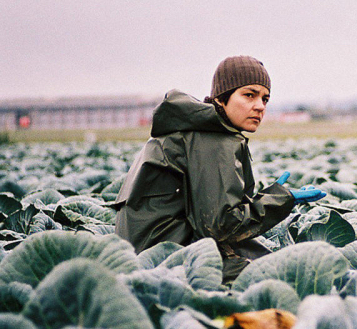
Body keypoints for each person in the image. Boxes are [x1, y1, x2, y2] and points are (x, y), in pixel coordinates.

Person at [114, 55, 326, 280]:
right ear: (221, 98)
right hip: (162, 259)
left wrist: (270, 198)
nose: (259, 106)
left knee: (268, 260)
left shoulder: (197, 131)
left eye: (265, 99)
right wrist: (279, 200)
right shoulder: (213, 139)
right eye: (249, 95)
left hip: (150, 248)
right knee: (283, 276)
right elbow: (220, 226)